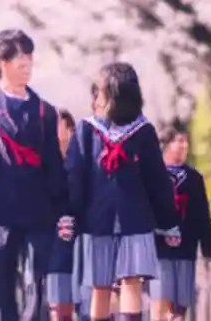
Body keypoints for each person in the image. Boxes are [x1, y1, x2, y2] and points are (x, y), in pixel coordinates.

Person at [62, 63, 181, 321]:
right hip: (97, 222)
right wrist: (69, 214)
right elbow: (74, 176)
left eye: (101, 92)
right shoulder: (86, 130)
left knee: (131, 281)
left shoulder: (143, 132)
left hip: (135, 222)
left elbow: (157, 181)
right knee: (100, 285)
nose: (96, 97)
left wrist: (168, 222)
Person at [0, 28, 67, 321]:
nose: (27, 67)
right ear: (1, 63)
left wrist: (63, 210)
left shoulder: (45, 112)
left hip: (39, 214)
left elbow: (53, 165)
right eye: (20, 62)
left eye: (29, 61)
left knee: (38, 287)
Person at [150, 129, 211, 321]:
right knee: (161, 302)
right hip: (159, 251)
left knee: (180, 309)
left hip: (186, 249)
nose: (184, 146)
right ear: (167, 144)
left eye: (186, 142)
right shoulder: (152, 176)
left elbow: (203, 216)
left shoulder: (194, 178)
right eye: (179, 141)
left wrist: (207, 252)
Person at [46, 109, 79, 321]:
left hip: (80, 241)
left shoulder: (82, 162)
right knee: (59, 307)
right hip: (53, 242)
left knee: (85, 305)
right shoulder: (45, 164)